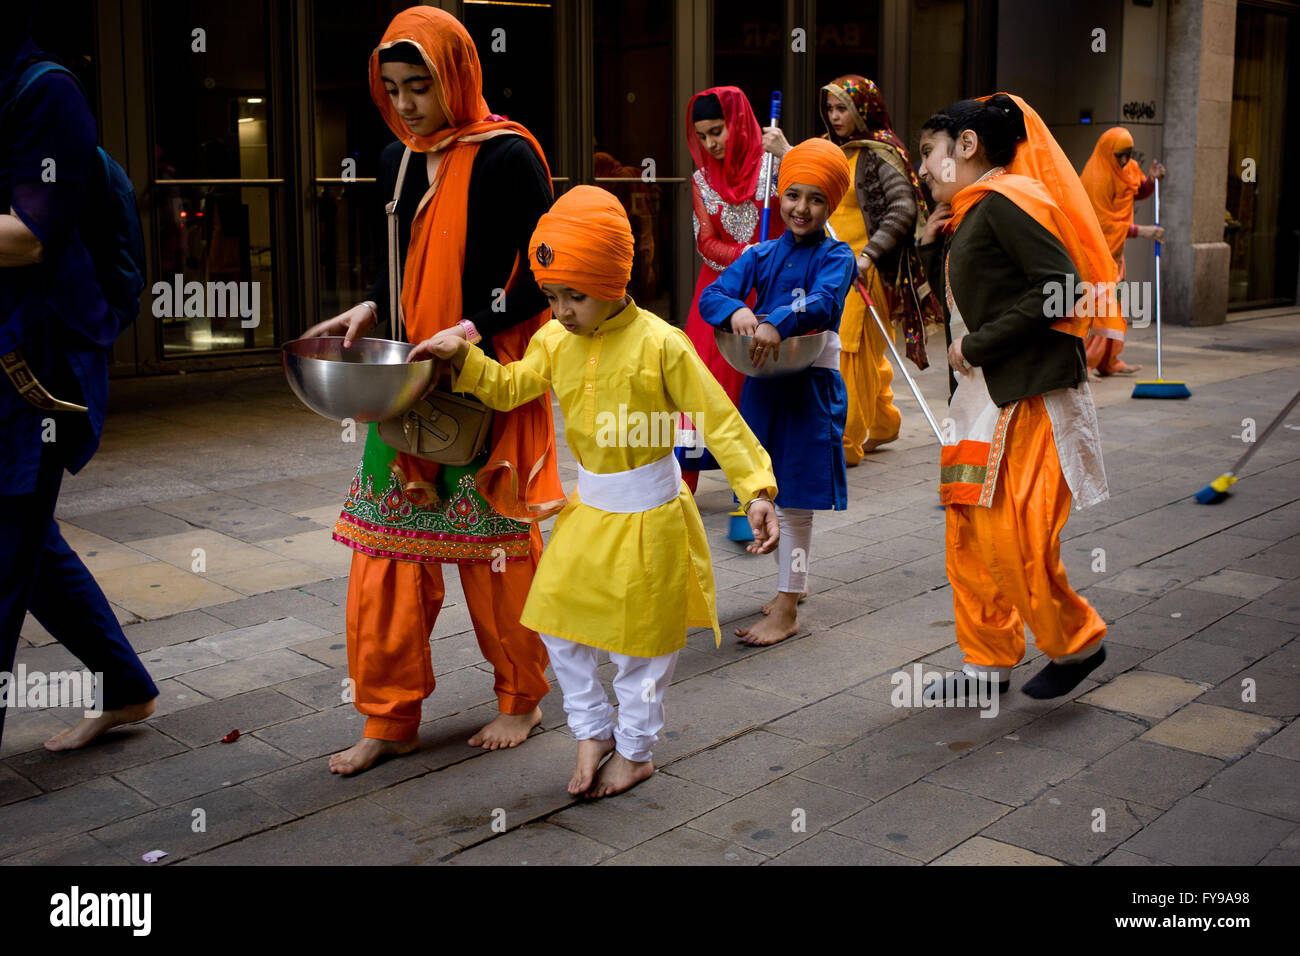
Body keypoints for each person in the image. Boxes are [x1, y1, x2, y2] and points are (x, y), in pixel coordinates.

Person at [410, 186, 780, 798]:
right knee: (558, 624)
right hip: (590, 511)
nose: (559, 311)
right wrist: (465, 356)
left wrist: (756, 490)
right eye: (551, 296)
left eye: (573, 296)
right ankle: (591, 729)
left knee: (640, 648)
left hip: (652, 516)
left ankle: (635, 750)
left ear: (613, 280)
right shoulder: (554, 341)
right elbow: (510, 390)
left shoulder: (662, 342)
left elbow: (718, 417)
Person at [300, 7, 565, 775]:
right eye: (393, 88)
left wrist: (470, 331)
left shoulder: (509, 156)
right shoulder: (396, 159)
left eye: (421, 86)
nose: (409, 103)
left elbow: (542, 278)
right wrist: (375, 306)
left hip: (483, 378)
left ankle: (522, 696)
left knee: (494, 552)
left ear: (457, 77)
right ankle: (390, 715)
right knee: (383, 552)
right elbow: (403, 260)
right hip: (410, 377)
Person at [916, 93, 1120, 700]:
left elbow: (1061, 288)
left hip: (1027, 398)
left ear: (968, 146)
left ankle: (1077, 641)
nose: (924, 168)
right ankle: (985, 667)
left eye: (930, 153)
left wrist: (980, 346)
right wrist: (931, 246)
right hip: (978, 402)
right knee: (969, 534)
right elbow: (969, 298)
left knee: (1016, 536)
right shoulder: (968, 213)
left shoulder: (1008, 202)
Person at [0, 19, 158, 750]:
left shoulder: (47, 92)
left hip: (29, 369)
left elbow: (30, 236)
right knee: (28, 543)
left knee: (9, 544)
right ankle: (123, 686)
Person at [698, 138, 856, 647]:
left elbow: (825, 302)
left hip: (809, 387)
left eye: (815, 199)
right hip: (764, 388)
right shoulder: (759, 254)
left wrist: (776, 321)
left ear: (830, 205)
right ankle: (792, 586)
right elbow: (712, 295)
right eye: (792, 195)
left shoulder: (838, 256)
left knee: (796, 503)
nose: (801, 208)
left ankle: (788, 605)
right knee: (767, 487)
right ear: (778, 196)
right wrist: (737, 312)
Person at [769, 76, 942, 463]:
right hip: (827, 267)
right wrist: (787, 154)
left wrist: (868, 256)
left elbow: (903, 210)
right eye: (829, 108)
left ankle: (842, 443)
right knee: (855, 351)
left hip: (866, 272)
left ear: (864, 109)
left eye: (842, 108)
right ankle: (882, 423)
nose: (834, 116)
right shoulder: (831, 150)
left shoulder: (882, 153)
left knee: (849, 352)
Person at [678, 87, 784, 492]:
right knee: (698, 387)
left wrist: (788, 152)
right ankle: (682, 486)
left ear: (738, 123)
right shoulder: (702, 179)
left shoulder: (773, 166)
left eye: (717, 131)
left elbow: (815, 198)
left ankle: (758, 484)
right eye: (702, 135)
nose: (710, 144)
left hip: (769, 292)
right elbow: (705, 242)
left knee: (755, 389)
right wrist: (748, 253)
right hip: (720, 293)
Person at [1080, 126, 1165, 378]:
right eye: (1120, 155)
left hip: (1116, 255)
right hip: (1095, 254)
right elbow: (1103, 224)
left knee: (1115, 307)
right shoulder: (1094, 178)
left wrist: (1151, 180)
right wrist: (1144, 231)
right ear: (1108, 153)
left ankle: (1110, 361)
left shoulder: (1126, 170)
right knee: (1100, 311)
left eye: (1128, 154)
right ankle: (1086, 363)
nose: (1125, 160)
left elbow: (1136, 191)